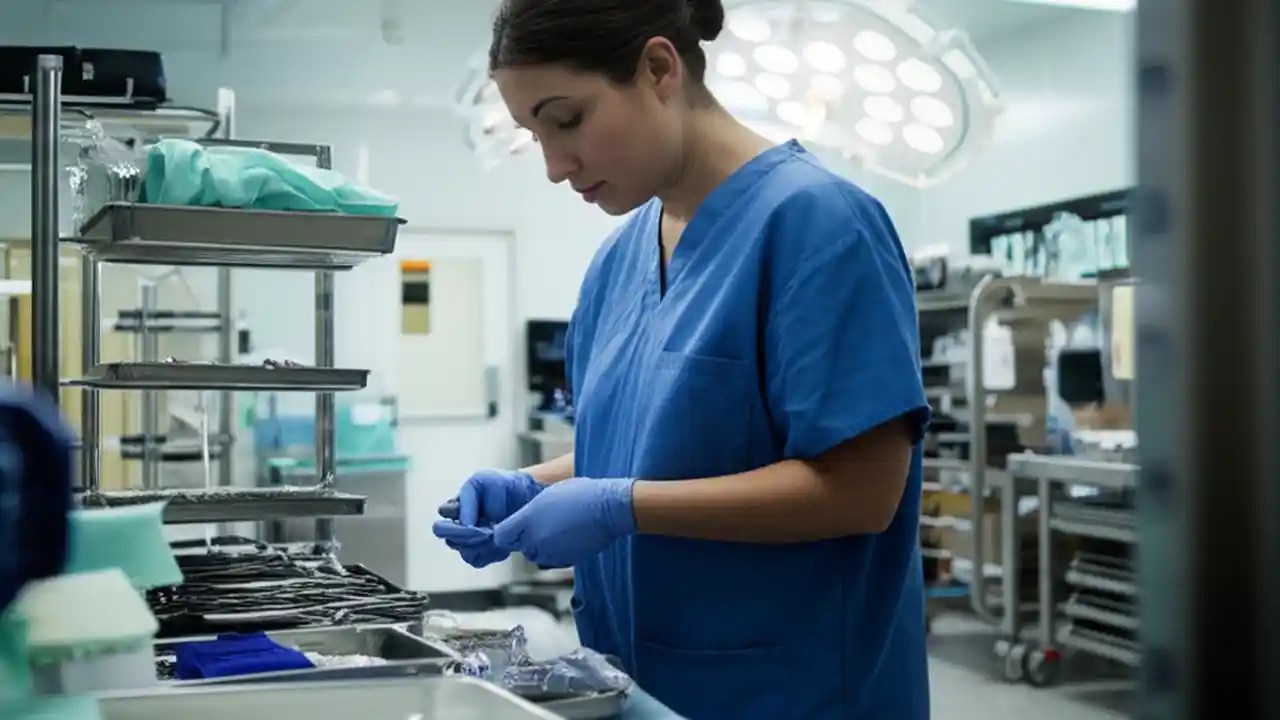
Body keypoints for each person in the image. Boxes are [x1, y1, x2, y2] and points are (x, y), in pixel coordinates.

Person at [433, 0, 931, 717]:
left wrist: (620, 507)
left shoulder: (820, 226)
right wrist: (532, 485)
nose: (552, 165)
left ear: (659, 68)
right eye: (534, 134)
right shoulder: (617, 262)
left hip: (792, 691)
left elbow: (860, 489)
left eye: (566, 120)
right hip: (636, 687)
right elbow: (665, 445)